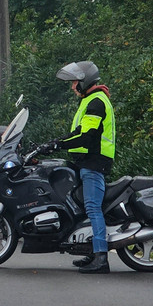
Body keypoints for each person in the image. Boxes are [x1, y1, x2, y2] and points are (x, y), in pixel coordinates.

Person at [54, 60, 116, 274]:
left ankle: (101, 257)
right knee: (81, 206)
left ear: (84, 81)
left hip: (94, 162)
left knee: (92, 206)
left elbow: (86, 137)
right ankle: (90, 251)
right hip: (86, 161)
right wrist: (55, 142)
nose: (73, 86)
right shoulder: (89, 100)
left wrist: (59, 145)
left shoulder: (96, 102)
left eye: (75, 82)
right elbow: (78, 132)